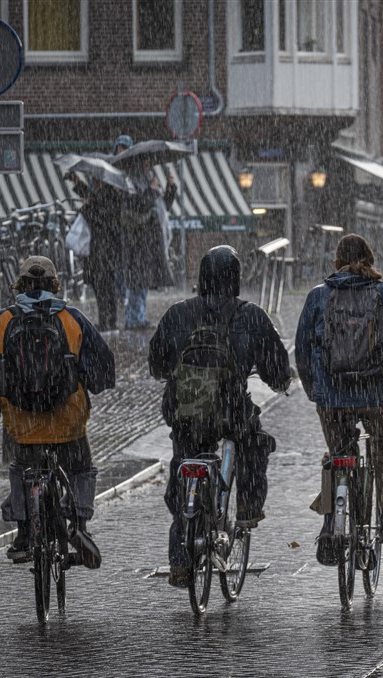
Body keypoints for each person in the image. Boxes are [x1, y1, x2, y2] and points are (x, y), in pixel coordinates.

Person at [148, 246, 291, 588]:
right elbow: (276, 369)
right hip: (230, 412)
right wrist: (281, 378)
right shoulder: (251, 316)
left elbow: (156, 363)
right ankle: (247, 511)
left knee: (183, 465)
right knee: (253, 444)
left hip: (186, 413)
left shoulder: (178, 314)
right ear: (237, 278)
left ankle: (181, 555)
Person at [0, 256, 115, 566]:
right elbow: (103, 367)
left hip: (23, 424)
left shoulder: (2, 321)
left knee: (22, 467)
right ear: (54, 284)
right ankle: (79, 523)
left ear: (19, 285)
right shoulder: (71, 319)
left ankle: (23, 532)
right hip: (67, 423)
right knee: (81, 469)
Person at [295, 234, 383, 566]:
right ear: (370, 260)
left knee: (337, 454)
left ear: (336, 263)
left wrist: (314, 389)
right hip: (375, 392)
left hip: (332, 393)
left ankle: (329, 527)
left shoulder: (317, 297)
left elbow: (300, 348)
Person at [65, 170, 124, 331]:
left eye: (94, 179)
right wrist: (77, 182)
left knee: (103, 286)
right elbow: (93, 201)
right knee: (104, 286)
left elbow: (99, 218)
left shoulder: (109, 196)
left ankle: (107, 321)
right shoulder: (107, 194)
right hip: (104, 249)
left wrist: (85, 208)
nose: (93, 182)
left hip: (103, 250)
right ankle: (108, 320)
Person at [122, 157, 177, 329]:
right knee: (137, 280)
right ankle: (133, 318)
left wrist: (170, 187)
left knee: (143, 280)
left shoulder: (146, 181)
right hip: (138, 240)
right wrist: (152, 189)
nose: (148, 166)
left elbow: (163, 205)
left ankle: (139, 316)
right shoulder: (132, 183)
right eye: (145, 164)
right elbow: (139, 205)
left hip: (149, 240)